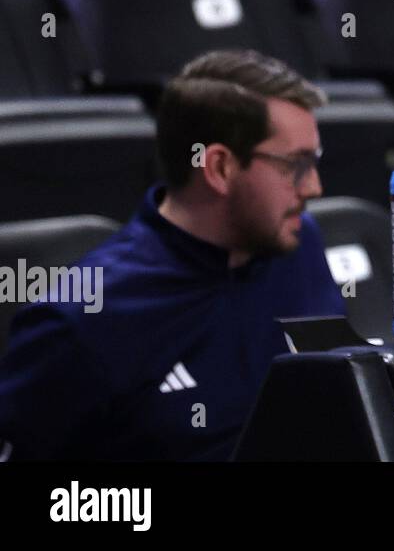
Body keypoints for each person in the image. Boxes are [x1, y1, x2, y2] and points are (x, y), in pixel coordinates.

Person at [0, 49, 345, 460]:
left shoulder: (298, 245)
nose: (314, 188)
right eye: (296, 165)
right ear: (219, 168)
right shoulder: (82, 318)